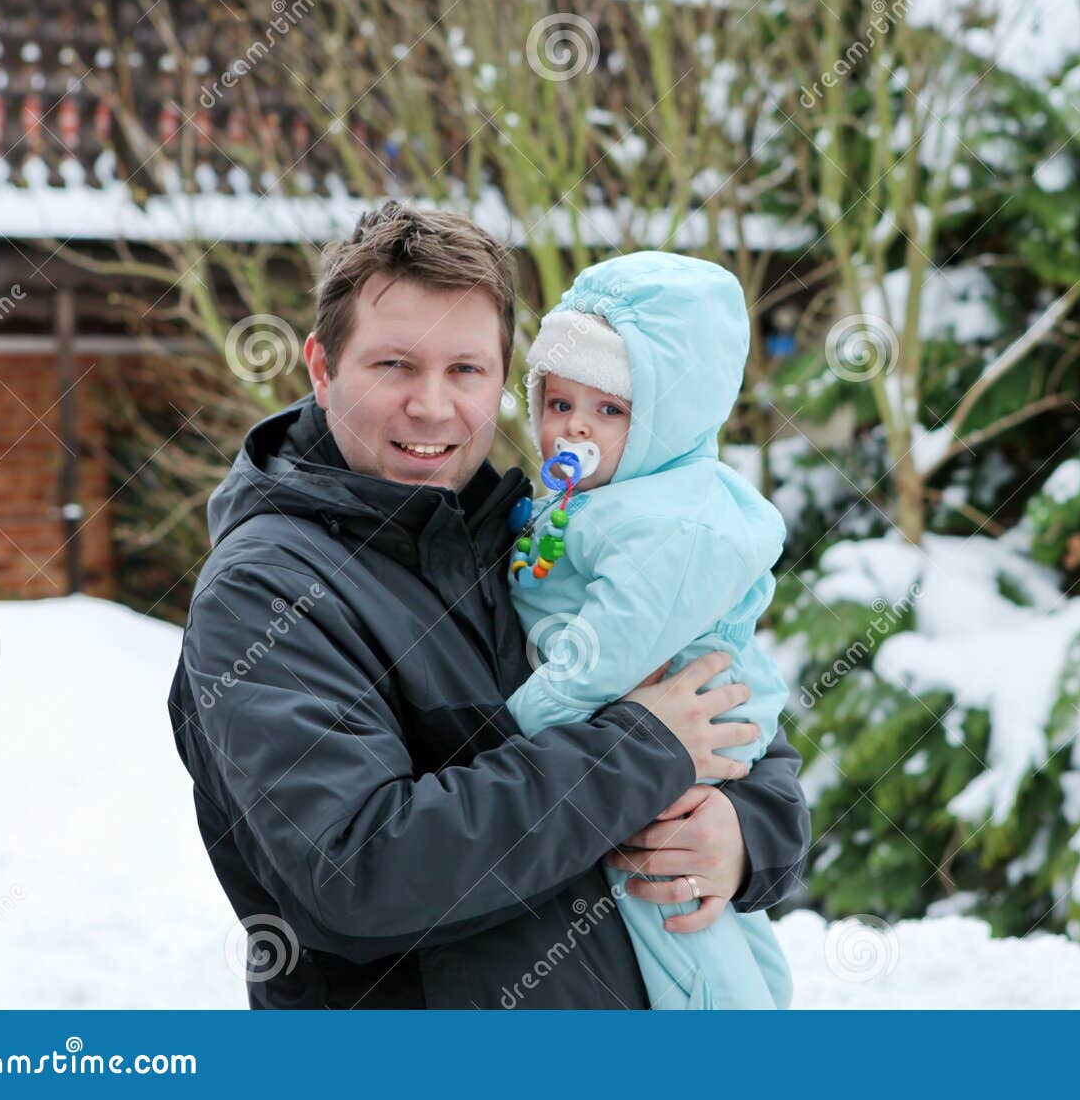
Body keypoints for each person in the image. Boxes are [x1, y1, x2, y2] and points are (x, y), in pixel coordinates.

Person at [165, 202, 811, 1008]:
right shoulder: (267, 592)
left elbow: (735, 721)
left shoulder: (528, 538)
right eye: (394, 365)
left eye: (466, 370)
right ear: (322, 368)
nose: (432, 406)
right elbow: (356, 870)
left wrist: (743, 836)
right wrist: (638, 753)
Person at [509, 252, 793, 1008]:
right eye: (558, 402)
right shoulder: (601, 497)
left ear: (667, 420)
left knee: (671, 904)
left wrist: (524, 720)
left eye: (609, 411)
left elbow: (615, 646)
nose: (574, 427)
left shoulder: (669, 518)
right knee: (712, 924)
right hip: (644, 736)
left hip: (684, 740)